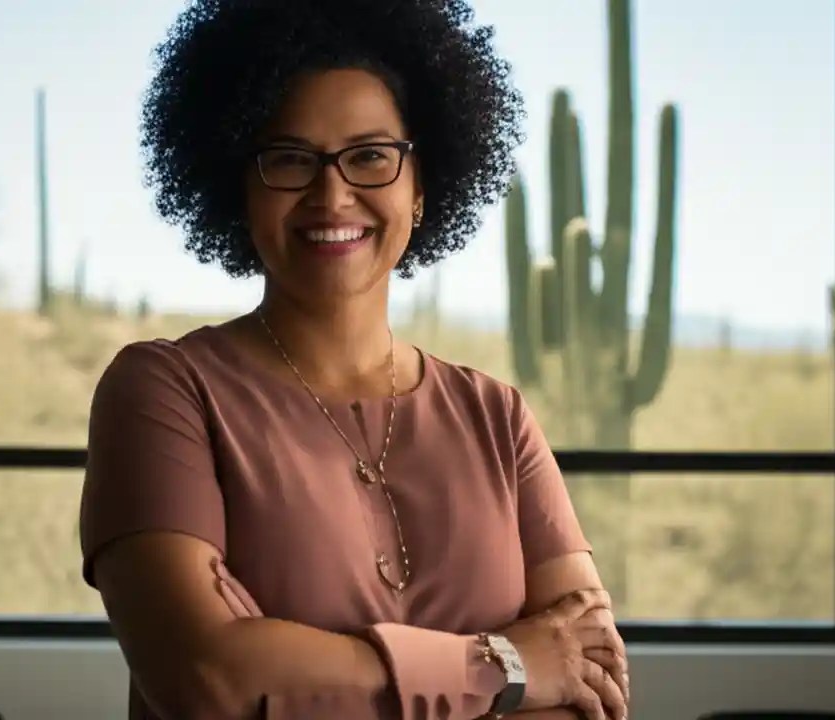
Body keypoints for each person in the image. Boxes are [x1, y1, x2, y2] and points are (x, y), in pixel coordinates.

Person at [78, 1, 629, 718]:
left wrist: (296, 673)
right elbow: (208, 679)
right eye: (289, 158)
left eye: (370, 155)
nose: (332, 194)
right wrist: (505, 667)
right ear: (239, 187)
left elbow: (593, 678)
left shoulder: (497, 418)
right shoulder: (164, 392)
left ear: (421, 186)